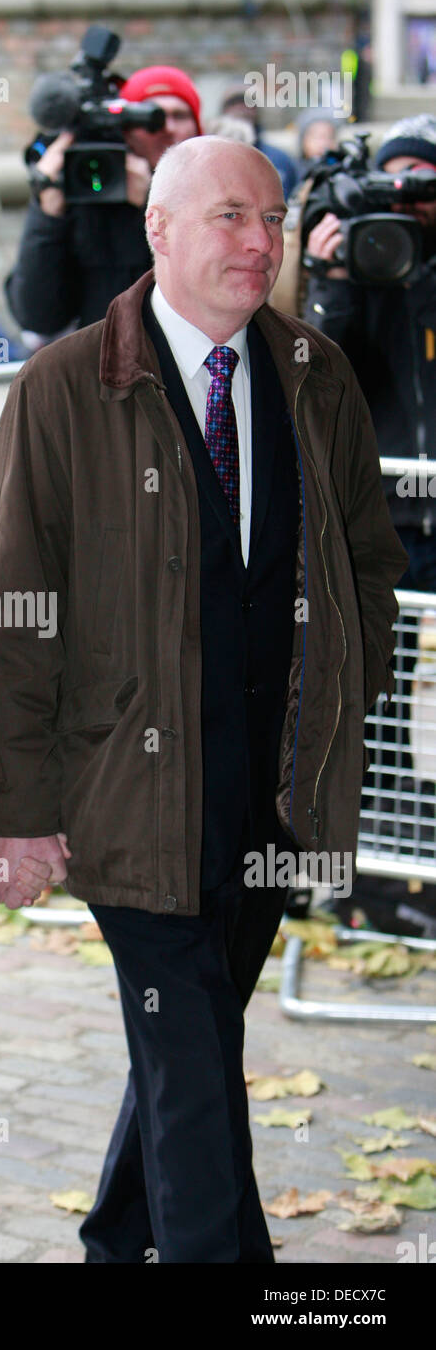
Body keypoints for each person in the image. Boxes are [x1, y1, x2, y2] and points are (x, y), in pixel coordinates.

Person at [0, 136, 407, 1262]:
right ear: (157, 231)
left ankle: (117, 1237)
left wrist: (349, 711)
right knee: (194, 1061)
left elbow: (364, 565)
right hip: (127, 795)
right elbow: (10, 609)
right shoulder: (64, 386)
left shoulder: (313, 372)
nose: (259, 241)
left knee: (190, 1044)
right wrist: (10, 809)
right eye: (227, 217)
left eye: (270, 216)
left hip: (270, 793)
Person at [303, 112, 436, 932]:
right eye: (399, 185)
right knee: (376, 697)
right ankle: (370, 881)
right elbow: (312, 372)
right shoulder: (359, 264)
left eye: (427, 187)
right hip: (383, 518)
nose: (412, 207)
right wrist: (336, 280)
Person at [4, 64, 201, 337]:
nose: (166, 128)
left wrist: (149, 207)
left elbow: (204, 296)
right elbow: (38, 316)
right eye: (152, 118)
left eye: (179, 115)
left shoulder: (220, 194)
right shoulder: (84, 195)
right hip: (100, 369)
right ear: (126, 129)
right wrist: (47, 214)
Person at [218, 86, 298, 200]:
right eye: (234, 103)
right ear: (223, 111)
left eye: (248, 104)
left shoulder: (279, 161)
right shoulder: (210, 159)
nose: (241, 109)